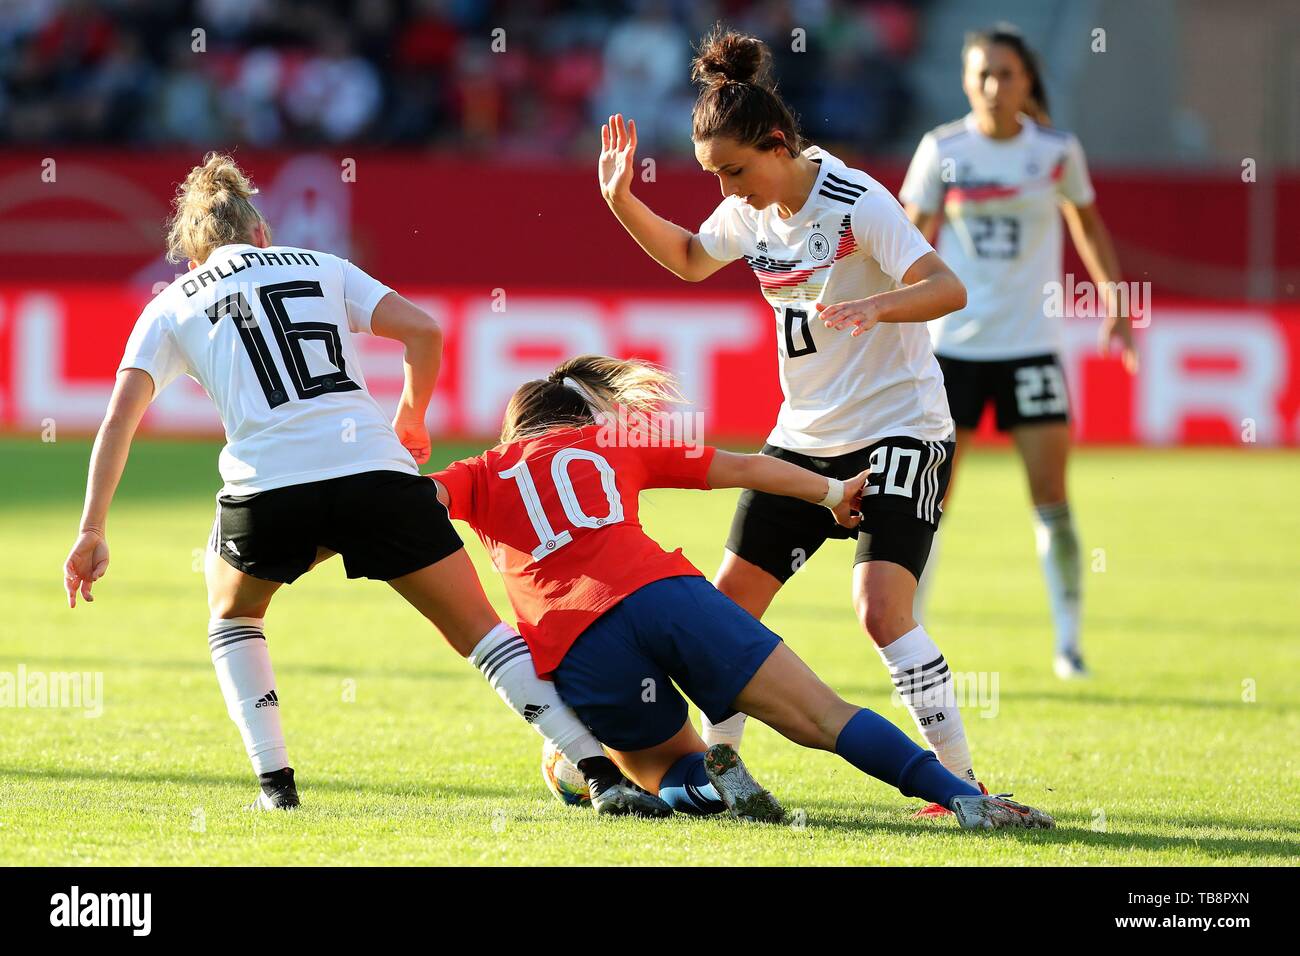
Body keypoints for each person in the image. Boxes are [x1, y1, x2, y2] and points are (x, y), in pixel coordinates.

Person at [62, 152, 668, 817]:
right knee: (479, 632)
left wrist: (92, 529)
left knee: (234, 615)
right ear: (262, 232)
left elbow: (119, 419)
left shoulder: (174, 301)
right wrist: (411, 413)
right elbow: (424, 331)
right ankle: (599, 774)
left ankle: (277, 789)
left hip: (269, 491)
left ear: (193, 252)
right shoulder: (320, 265)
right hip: (374, 473)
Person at [597, 28, 984, 817]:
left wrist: (875, 305)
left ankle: (960, 785)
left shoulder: (856, 202)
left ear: (777, 144)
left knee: (880, 609)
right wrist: (622, 201)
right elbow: (689, 258)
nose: (727, 192)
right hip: (807, 436)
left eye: (735, 171)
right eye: (714, 177)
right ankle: (721, 769)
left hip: (901, 427)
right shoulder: (749, 210)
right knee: (722, 614)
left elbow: (947, 288)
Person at [431, 355, 1054, 830]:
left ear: (514, 426)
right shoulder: (611, 443)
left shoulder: (479, 474)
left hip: (577, 643)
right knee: (827, 717)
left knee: (664, 771)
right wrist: (834, 496)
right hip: (668, 595)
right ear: (588, 416)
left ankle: (707, 779)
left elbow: (404, 505)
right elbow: (747, 467)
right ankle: (966, 799)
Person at [899, 26, 1137, 679]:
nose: (992, 88)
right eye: (981, 75)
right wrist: (896, 320)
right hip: (952, 352)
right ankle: (908, 641)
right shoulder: (942, 150)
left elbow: (1086, 223)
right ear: (966, 81)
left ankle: (1069, 644)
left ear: (1027, 80)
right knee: (930, 500)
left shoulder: (1056, 152)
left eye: (1005, 74)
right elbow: (908, 241)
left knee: (1052, 497)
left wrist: (1116, 303)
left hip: (1031, 349)